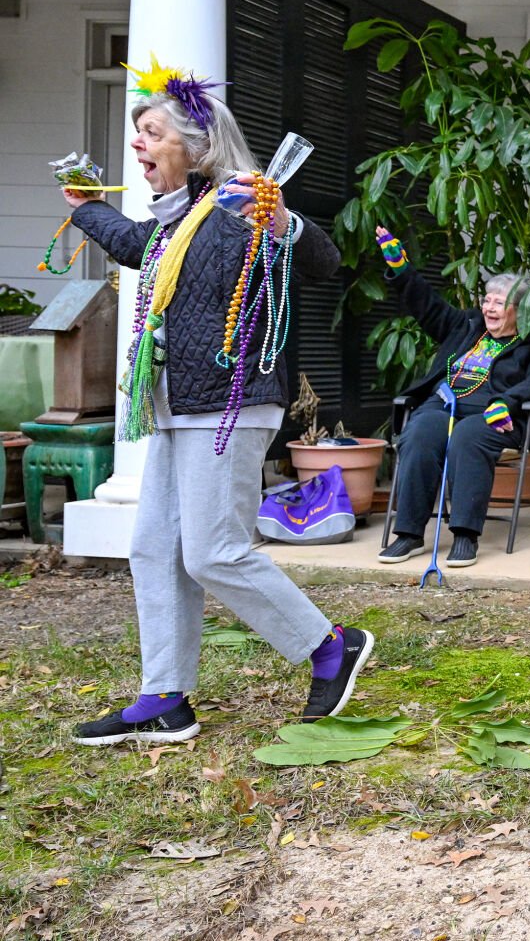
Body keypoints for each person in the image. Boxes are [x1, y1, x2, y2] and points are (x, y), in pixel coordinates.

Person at [62, 60, 372, 746]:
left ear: (197, 146)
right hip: (180, 405)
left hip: (229, 403)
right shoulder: (179, 226)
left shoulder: (237, 207)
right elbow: (141, 246)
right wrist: (86, 207)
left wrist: (284, 219)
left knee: (213, 551)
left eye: (151, 132)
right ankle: (165, 695)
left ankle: (330, 646)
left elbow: (320, 259)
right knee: (154, 547)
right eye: (136, 132)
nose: (138, 144)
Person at [374, 227, 530, 570]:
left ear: (518, 310)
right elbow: (428, 306)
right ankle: (410, 534)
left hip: (495, 415)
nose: (488, 308)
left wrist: (508, 402)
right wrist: (401, 268)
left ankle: (464, 534)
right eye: (486, 300)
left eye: (498, 303)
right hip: (443, 404)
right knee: (419, 433)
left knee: (467, 438)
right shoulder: (467, 325)